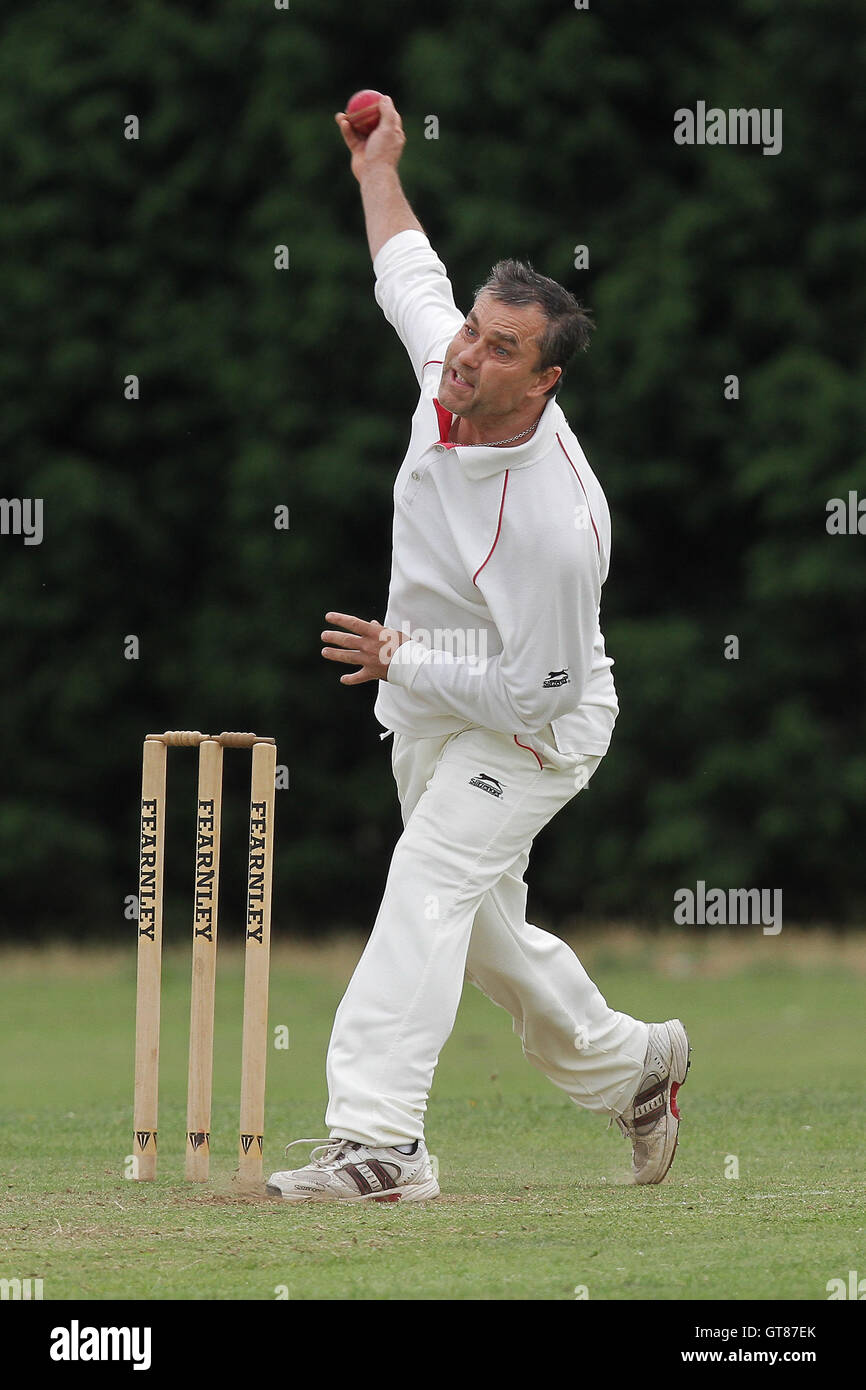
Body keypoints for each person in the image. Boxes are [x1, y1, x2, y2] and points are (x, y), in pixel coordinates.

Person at [267, 96, 689, 1204]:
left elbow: (533, 690)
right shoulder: (444, 366)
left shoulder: (554, 526)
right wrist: (376, 168)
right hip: (428, 703)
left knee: (429, 877)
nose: (467, 353)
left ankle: (377, 1146)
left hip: (537, 724)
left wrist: (404, 657)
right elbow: (406, 271)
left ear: (543, 381)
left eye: (500, 348)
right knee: (482, 933)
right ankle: (632, 1066)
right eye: (472, 330)